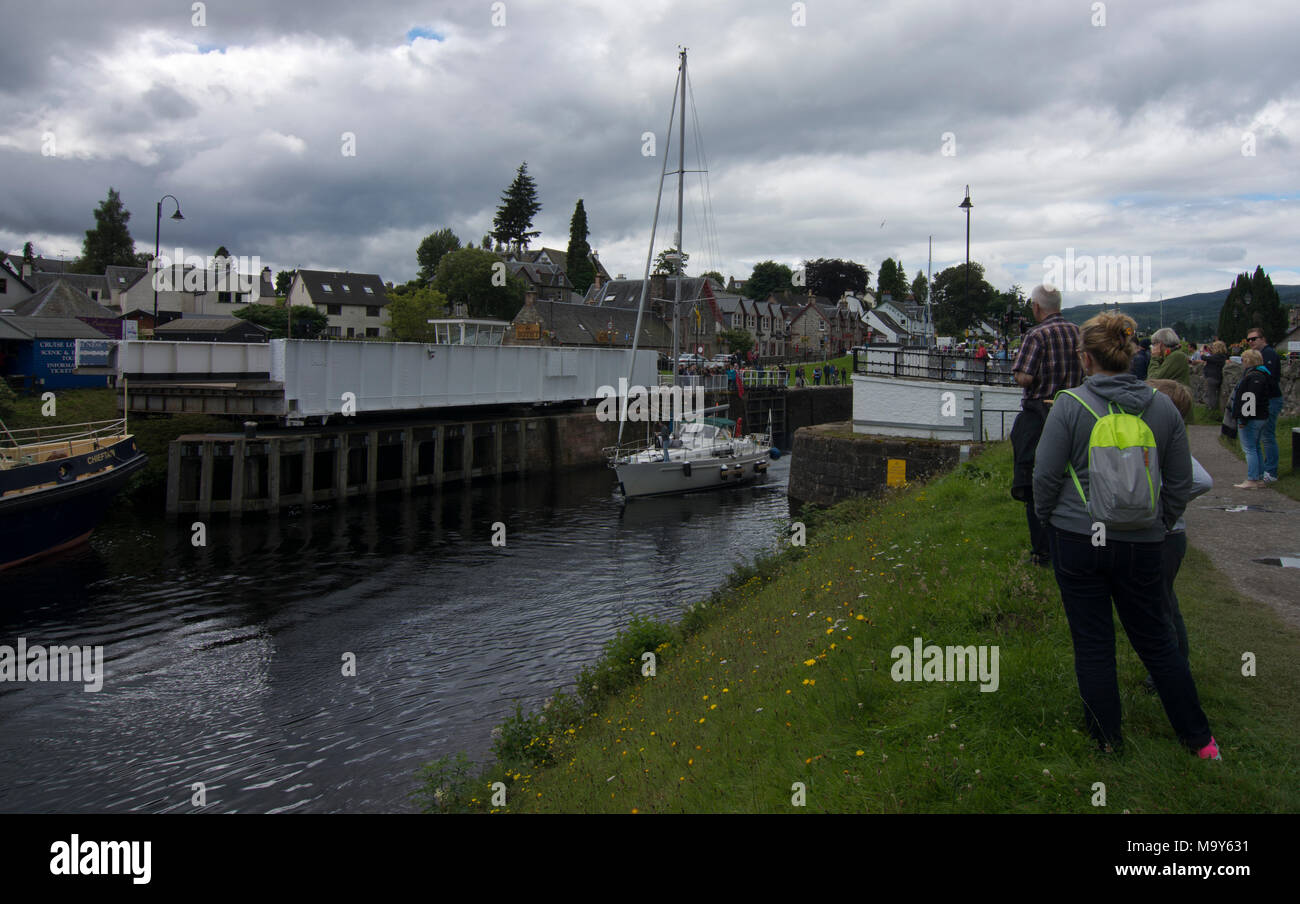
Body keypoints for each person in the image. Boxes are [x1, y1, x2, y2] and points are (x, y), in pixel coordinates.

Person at [1033, 311, 1219, 759]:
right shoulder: (1162, 408)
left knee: (1093, 642)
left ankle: (1107, 743)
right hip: (1143, 541)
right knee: (1156, 639)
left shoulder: (1069, 405)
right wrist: (1158, 523)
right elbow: (1178, 482)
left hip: (1078, 536)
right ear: (1132, 352)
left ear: (1086, 358)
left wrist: (1050, 519)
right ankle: (1200, 742)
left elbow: (1044, 476)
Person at [1143, 379, 1213, 692]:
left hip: (1167, 536)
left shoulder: (1170, 443)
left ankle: (1169, 674)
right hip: (1169, 534)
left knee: (1160, 607)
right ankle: (1174, 666)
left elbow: (1201, 480)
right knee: (1165, 602)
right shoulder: (1167, 439)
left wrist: (1163, 508)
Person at [1010, 285, 1083, 567]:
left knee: (1034, 481)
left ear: (1037, 307)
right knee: (1069, 478)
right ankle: (1071, 539)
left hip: (1040, 413)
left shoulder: (1036, 334)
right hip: (1074, 409)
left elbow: (1025, 378)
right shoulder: (1078, 332)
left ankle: (1043, 552)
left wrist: (1018, 372)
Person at [1245, 328, 1283, 482]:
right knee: (1261, 436)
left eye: (1254, 339)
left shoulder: (1269, 354)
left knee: (1267, 436)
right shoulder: (1262, 354)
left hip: (1271, 399)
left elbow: (1267, 378)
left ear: (1263, 338)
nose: (1251, 342)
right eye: (1248, 340)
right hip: (1264, 400)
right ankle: (1263, 470)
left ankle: (1271, 472)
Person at [1231, 347, 1272, 489]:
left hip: (1252, 418)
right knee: (1256, 447)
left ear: (1248, 360)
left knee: (1249, 448)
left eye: (1243, 359)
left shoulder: (1253, 376)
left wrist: (1243, 419)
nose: (1242, 362)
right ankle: (1259, 477)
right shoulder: (1264, 374)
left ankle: (1252, 479)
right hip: (1262, 416)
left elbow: (1249, 399)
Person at [1202, 340, 1228, 412]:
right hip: (1217, 377)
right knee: (1215, 395)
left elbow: (1205, 358)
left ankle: (1211, 410)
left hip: (1212, 378)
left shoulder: (1218, 356)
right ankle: (1215, 409)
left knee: (1210, 395)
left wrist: (1202, 352)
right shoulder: (1222, 356)